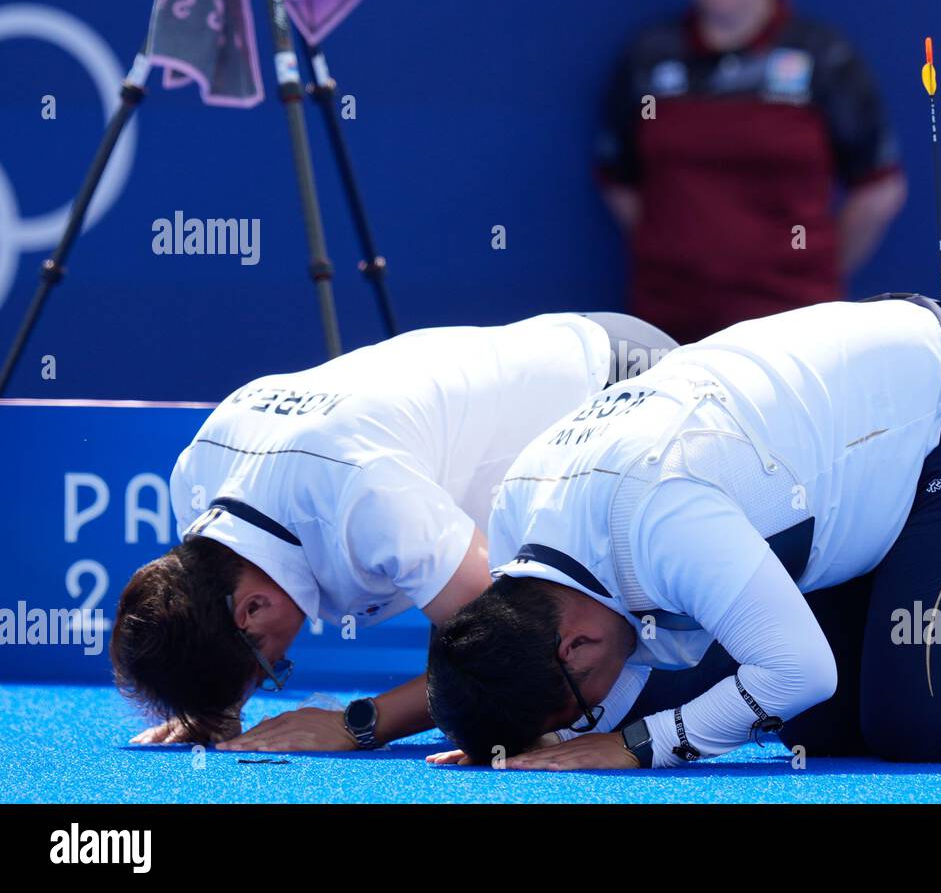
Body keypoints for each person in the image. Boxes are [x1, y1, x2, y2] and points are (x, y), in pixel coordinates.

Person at [426, 295, 941, 769]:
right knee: (806, 721)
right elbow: (766, 690)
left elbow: (797, 668)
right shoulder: (517, 517)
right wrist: (510, 727)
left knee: (921, 723)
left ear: (571, 648)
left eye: (576, 707)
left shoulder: (659, 516)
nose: (588, 718)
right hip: (861, 451)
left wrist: (636, 747)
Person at [110, 312, 677, 751]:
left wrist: (361, 724)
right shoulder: (198, 478)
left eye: (268, 672)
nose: (272, 672)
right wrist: (209, 703)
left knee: (577, 691)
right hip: (566, 347)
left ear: (252, 611)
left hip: (631, 384)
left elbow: (517, 653)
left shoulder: (366, 498)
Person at [596, 0, 907, 344]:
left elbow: (879, 188)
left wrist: (808, 269)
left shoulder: (825, 59)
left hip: (794, 331)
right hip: (667, 333)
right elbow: (617, 178)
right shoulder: (648, 59)